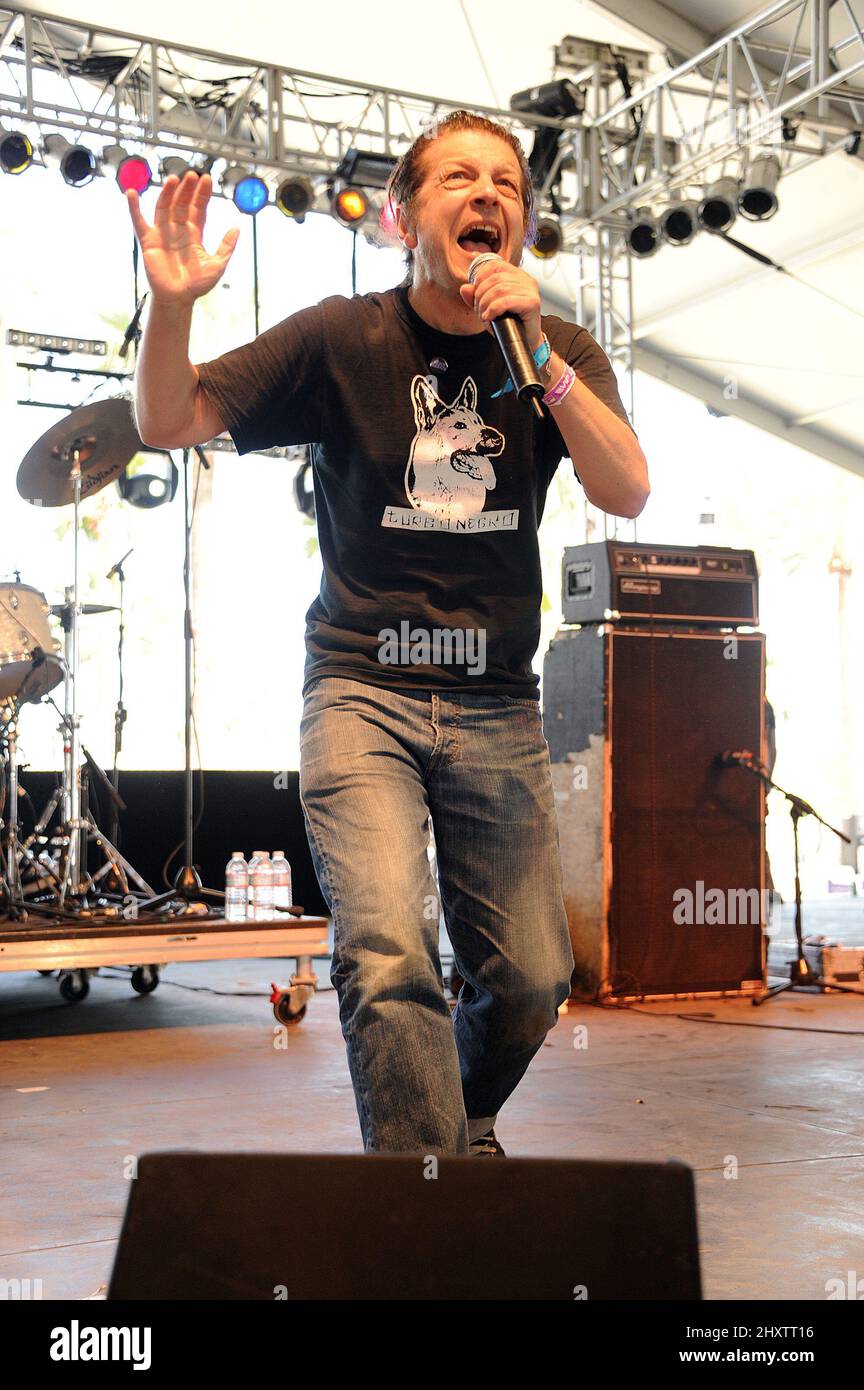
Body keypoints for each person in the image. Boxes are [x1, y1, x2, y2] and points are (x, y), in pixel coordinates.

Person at [127, 110, 650, 1156]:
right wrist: (171, 307)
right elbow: (167, 421)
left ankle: (459, 1120)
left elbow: (627, 488)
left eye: (506, 181)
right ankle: (424, 1209)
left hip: (496, 697)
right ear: (407, 216)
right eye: (459, 176)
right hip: (362, 685)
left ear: (521, 226)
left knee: (536, 978)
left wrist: (541, 355)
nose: (488, 193)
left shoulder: (555, 350)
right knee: (387, 951)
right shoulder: (340, 337)